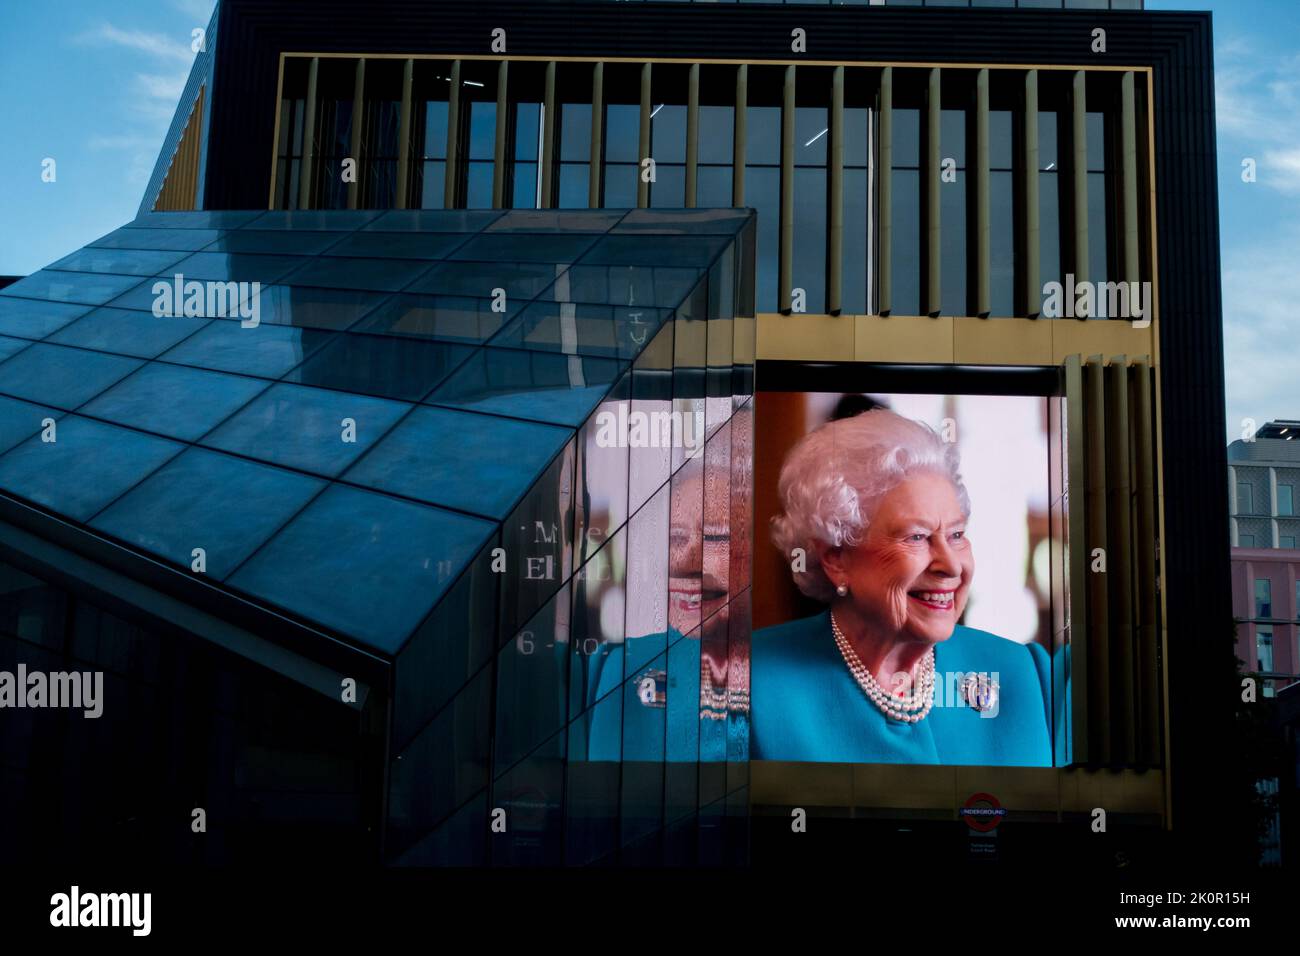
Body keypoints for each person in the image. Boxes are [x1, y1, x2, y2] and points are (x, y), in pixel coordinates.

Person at [752, 408, 1059, 765]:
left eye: (957, 534)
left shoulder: (1020, 672)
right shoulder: (753, 685)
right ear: (836, 558)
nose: (950, 565)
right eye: (917, 537)